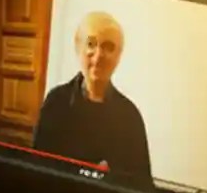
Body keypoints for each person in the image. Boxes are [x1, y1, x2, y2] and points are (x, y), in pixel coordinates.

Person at [33, 11, 152, 183]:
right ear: (78, 47)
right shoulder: (55, 102)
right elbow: (36, 169)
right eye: (91, 44)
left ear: (119, 56)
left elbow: (143, 186)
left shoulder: (130, 116)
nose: (98, 56)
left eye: (108, 47)